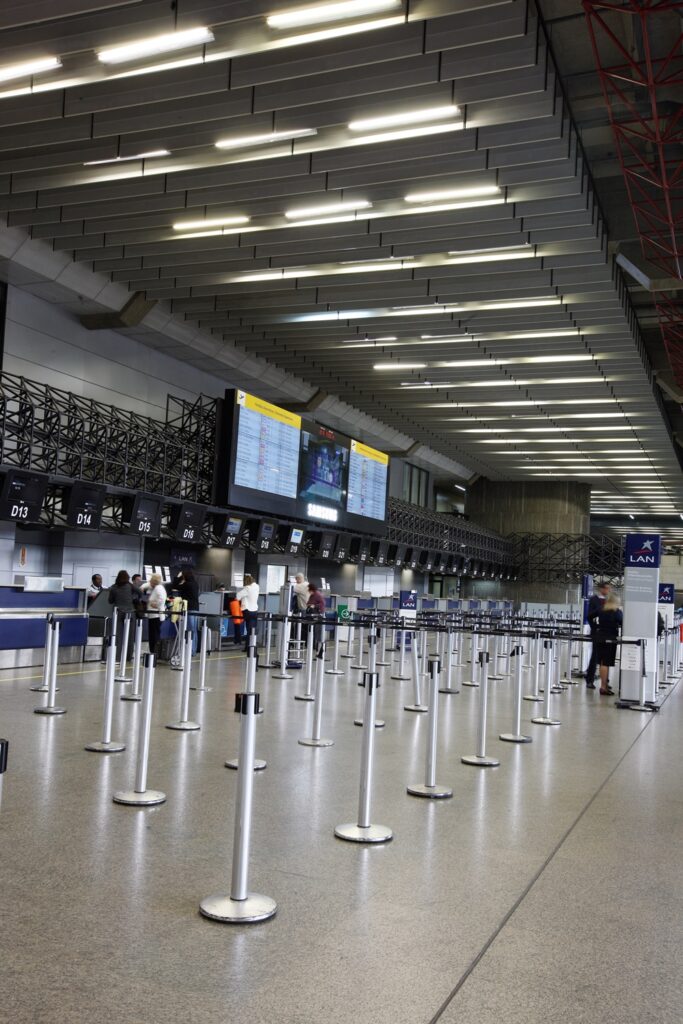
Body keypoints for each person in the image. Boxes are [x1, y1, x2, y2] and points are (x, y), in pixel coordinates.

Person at [593, 594, 623, 696]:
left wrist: (595, 627)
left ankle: (604, 685)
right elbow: (622, 622)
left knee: (602, 662)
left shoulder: (601, 609)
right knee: (606, 663)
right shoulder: (616, 611)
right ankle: (603, 687)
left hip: (599, 636)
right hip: (610, 638)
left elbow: (589, 616)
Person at [585, 581, 610, 689]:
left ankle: (605, 682)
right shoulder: (594, 600)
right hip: (597, 632)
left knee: (606, 658)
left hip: (608, 632)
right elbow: (590, 615)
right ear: (602, 589)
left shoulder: (609, 599)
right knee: (595, 656)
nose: (608, 591)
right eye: (607, 588)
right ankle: (589, 679)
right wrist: (595, 627)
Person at [107, 570, 137, 660]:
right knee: (130, 636)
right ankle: (128, 656)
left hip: (118, 613)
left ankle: (117, 657)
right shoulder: (130, 586)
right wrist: (132, 598)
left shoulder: (113, 587)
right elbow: (140, 592)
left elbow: (110, 601)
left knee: (117, 635)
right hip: (130, 613)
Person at [175, 567, 199, 654]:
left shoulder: (187, 584)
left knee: (190, 630)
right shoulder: (195, 583)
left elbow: (175, 586)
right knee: (194, 630)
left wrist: (178, 577)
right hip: (196, 608)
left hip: (189, 608)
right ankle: (193, 650)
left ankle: (190, 650)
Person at [142, 573, 167, 657]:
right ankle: (153, 652)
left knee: (154, 636)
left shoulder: (158, 588)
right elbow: (146, 585)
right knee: (153, 635)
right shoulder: (156, 587)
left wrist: (156, 605)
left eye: (151, 580)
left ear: (154, 581)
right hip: (153, 616)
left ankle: (154, 653)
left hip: (156, 616)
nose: (150, 582)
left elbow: (162, 599)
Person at [236, 574, 260, 652]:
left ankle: (247, 647)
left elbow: (238, 596)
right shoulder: (256, 587)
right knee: (252, 630)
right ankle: (251, 646)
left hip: (247, 611)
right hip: (255, 611)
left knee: (248, 630)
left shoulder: (247, 588)